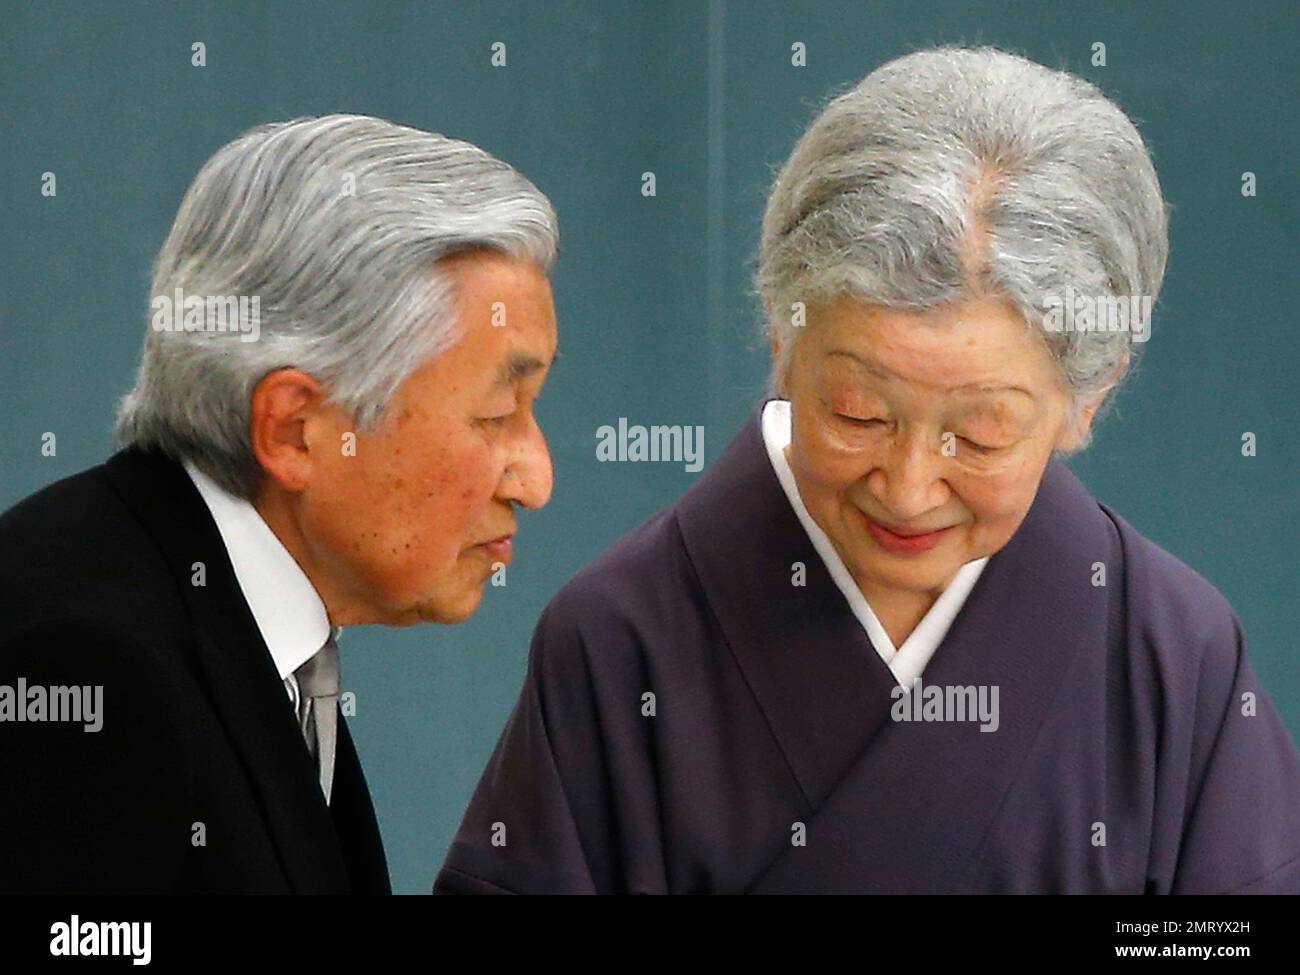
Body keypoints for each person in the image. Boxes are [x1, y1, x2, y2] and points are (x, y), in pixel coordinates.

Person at [434, 47, 1300, 894]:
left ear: (1089, 399)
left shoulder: (1171, 652)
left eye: (983, 432)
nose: (909, 483)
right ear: (780, 337)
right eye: (859, 414)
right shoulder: (621, 640)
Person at [0, 114, 559, 892]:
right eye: (498, 415)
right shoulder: (89, 666)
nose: (536, 478)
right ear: (296, 429)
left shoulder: (244, 628)